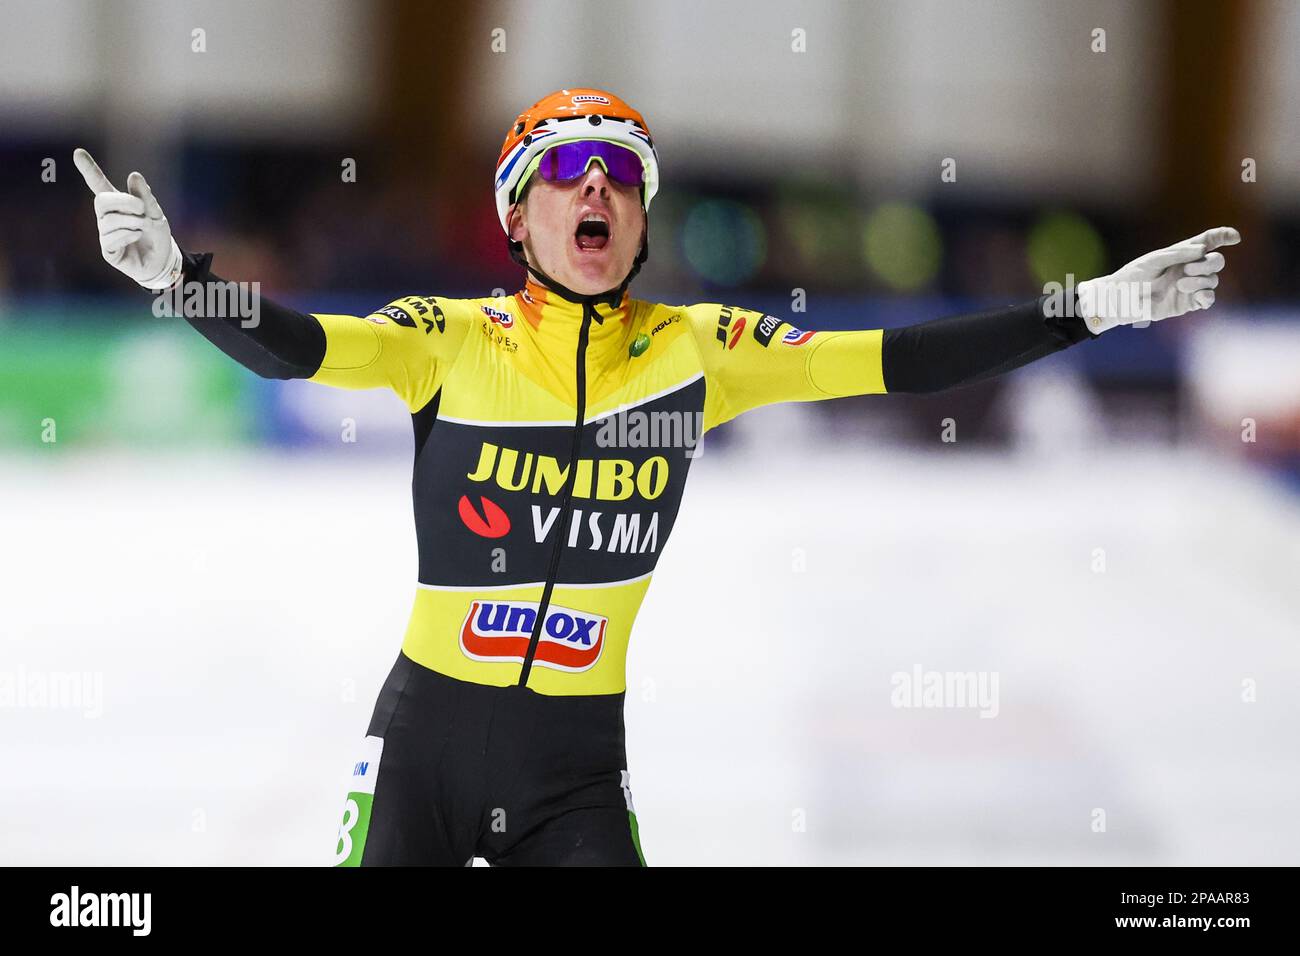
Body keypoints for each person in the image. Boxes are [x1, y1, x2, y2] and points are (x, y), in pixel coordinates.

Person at [75, 88, 1239, 866]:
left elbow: (903, 360)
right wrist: (179, 281)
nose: (598, 191)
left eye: (621, 178)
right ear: (518, 219)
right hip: (424, 744)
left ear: (639, 224)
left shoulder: (703, 351)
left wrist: (1088, 307)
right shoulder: (447, 335)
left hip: (574, 769)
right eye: (568, 172)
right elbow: (295, 341)